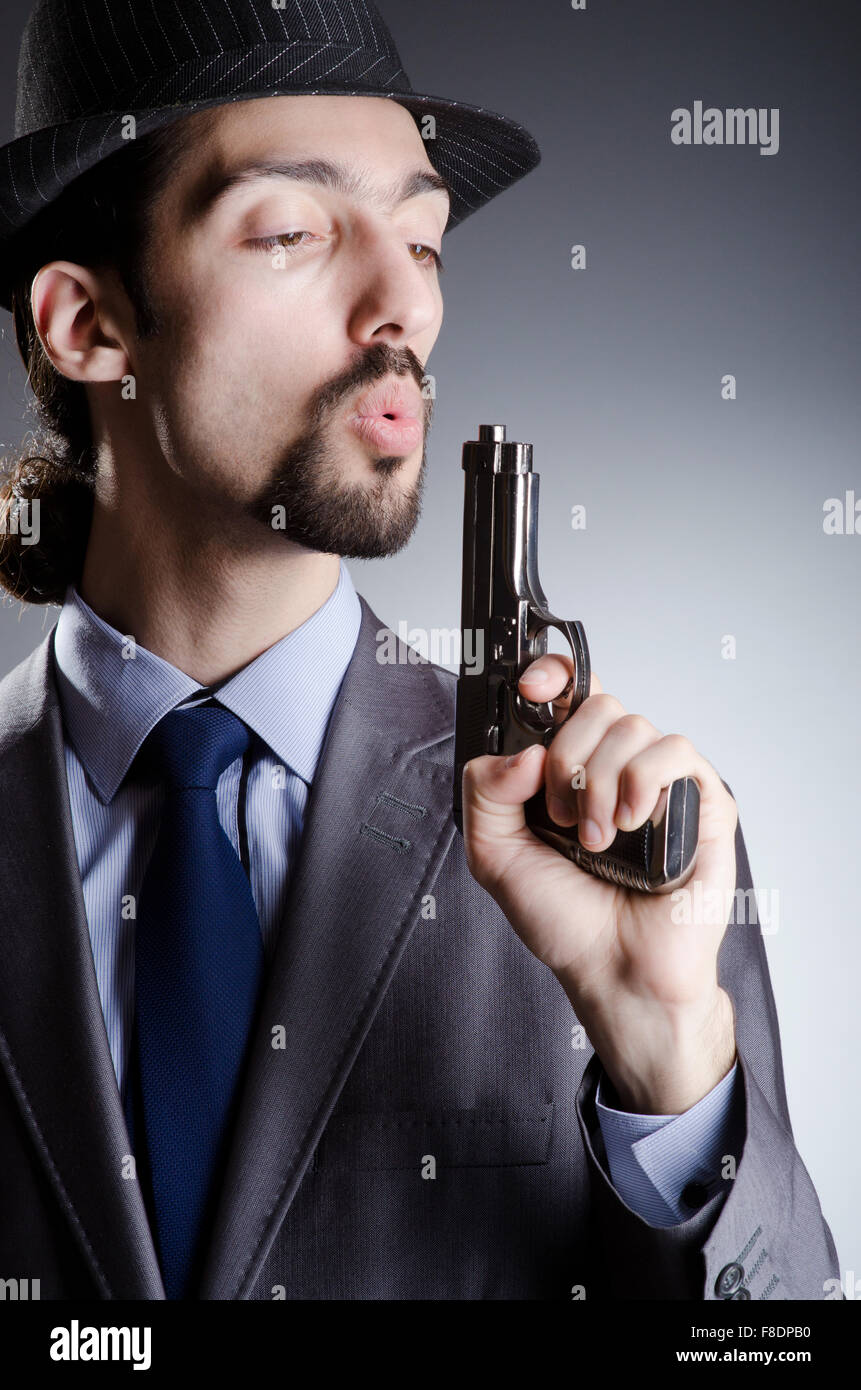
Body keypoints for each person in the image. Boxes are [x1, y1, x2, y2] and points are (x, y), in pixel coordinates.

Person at [0, 0, 839, 1301]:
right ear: (85, 324)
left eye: (422, 240)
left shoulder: (613, 841)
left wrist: (664, 1056)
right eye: (291, 231)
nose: (404, 306)